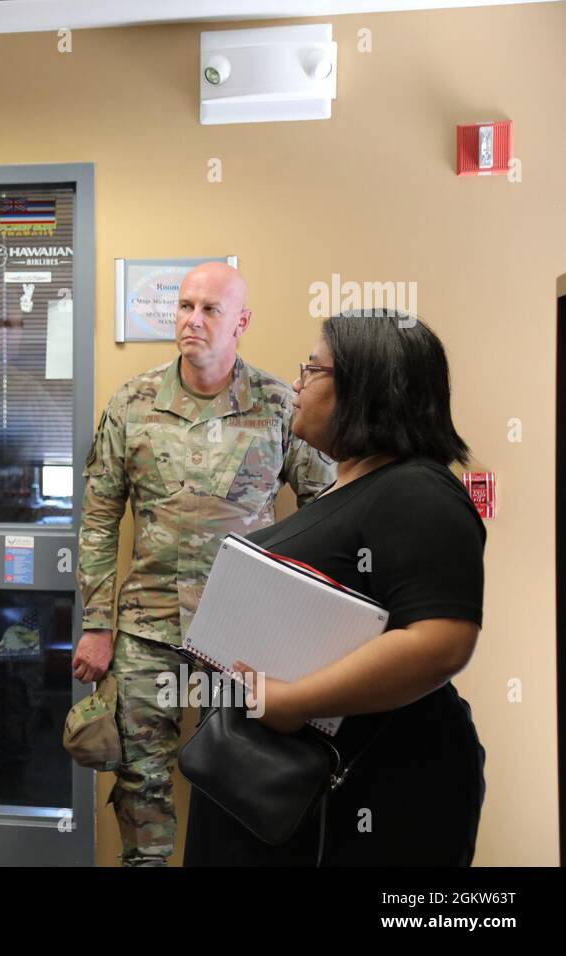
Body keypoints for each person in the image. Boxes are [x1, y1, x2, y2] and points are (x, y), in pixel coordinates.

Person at [184, 311, 486, 866]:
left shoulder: (418, 492)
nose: (296, 383)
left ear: (364, 385)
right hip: (286, 783)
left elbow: (441, 640)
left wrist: (295, 701)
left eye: (312, 368)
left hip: (374, 788)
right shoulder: (351, 483)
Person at [75, 262, 335, 866]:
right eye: (185, 306)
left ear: (240, 321)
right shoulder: (133, 403)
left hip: (243, 633)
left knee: (239, 783)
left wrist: (301, 615)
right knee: (142, 785)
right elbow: (98, 517)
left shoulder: (279, 404)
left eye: (210, 309)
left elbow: (328, 507)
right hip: (148, 630)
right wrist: (96, 624)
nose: (192, 320)